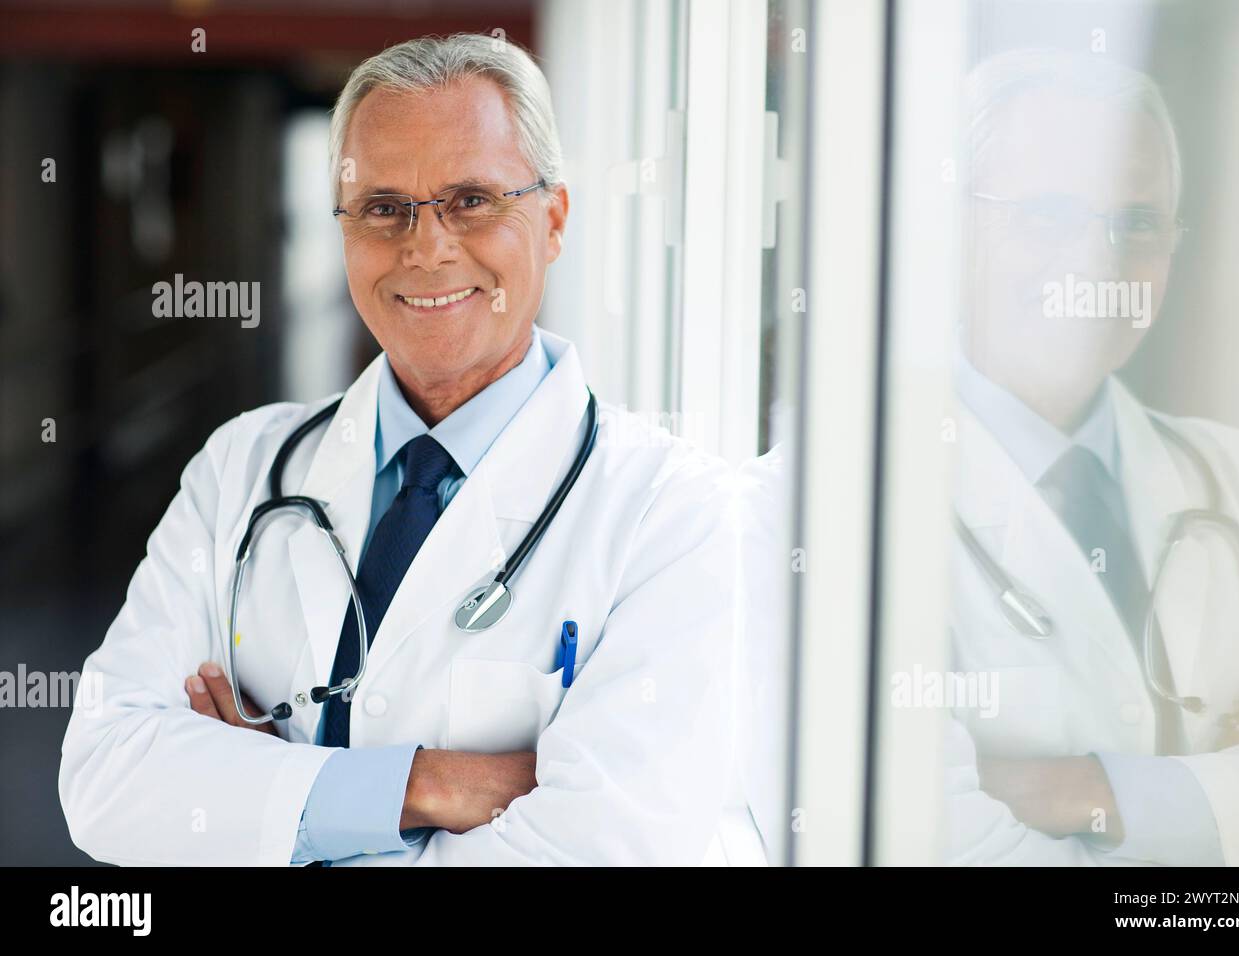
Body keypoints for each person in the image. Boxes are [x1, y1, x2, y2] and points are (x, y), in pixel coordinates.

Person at [58, 33, 761, 866]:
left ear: (555, 219)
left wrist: (264, 789)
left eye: (471, 199)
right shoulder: (239, 469)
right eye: (384, 207)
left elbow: (603, 848)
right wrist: (426, 786)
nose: (426, 248)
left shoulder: (672, 513)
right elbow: (104, 778)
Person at [943, 49, 1239, 866]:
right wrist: (1233, 813)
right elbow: (933, 845)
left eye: (1136, 222)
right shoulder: (817, 506)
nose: (1097, 262)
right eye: (1048, 214)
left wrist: (1089, 790)